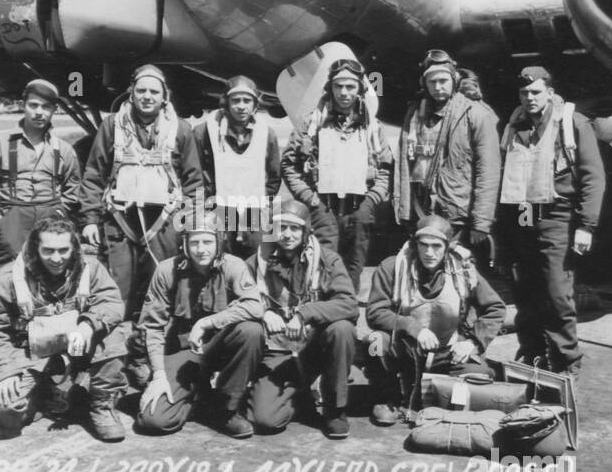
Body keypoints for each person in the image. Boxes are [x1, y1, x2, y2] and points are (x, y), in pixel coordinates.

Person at [79, 65, 202, 384]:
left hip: (164, 223)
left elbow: (193, 181)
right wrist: (90, 218)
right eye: (141, 91)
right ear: (131, 93)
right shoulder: (112, 126)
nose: (147, 97)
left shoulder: (181, 129)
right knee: (115, 294)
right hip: (119, 222)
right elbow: (94, 174)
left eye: (154, 92)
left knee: (157, 294)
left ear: (165, 98)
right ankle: (110, 361)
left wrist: (192, 223)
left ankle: (144, 356)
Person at [0, 216, 130, 442]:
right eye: (48, 251)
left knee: (112, 335)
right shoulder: (8, 278)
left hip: (77, 346)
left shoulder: (90, 268)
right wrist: (4, 371)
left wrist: (88, 324)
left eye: (63, 250)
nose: (56, 258)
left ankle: (101, 403)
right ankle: (40, 394)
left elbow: (112, 304)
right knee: (0, 412)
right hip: (29, 353)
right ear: (36, 248)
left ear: (74, 247)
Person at [495, 66, 605, 376]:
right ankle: (531, 353)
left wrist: (586, 225)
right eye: (524, 93)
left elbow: (593, 177)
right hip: (520, 218)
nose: (529, 98)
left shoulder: (572, 123)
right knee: (525, 295)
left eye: (535, 92)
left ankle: (566, 362)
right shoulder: (513, 125)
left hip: (556, 217)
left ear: (550, 92)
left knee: (557, 295)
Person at [364, 215, 507, 426]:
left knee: (482, 375)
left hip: (446, 353)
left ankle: (433, 393)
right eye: (423, 245)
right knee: (374, 342)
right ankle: (388, 397)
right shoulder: (394, 267)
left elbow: (496, 308)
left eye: (436, 246)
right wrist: (413, 327)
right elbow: (375, 312)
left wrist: (473, 342)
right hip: (404, 350)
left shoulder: (463, 270)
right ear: (415, 244)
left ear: (447, 246)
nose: (429, 253)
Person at [135, 211, 266, 438]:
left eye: (208, 241)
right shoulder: (167, 270)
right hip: (185, 350)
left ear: (218, 242)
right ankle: (199, 398)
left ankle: (226, 409)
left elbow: (255, 307)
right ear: (184, 244)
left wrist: (206, 322)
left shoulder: (233, 266)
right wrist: (158, 375)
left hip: (221, 346)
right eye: (194, 242)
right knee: (154, 419)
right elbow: (152, 327)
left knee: (251, 331)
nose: (201, 249)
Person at [245, 200, 359, 439]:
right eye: (281, 227)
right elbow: (236, 299)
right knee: (265, 420)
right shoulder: (258, 261)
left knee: (342, 328)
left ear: (306, 231)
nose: (287, 235)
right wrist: (263, 312)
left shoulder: (327, 260)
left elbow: (348, 303)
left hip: (313, 348)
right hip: (276, 352)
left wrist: (304, 313)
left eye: (294, 228)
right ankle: (300, 395)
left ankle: (335, 409)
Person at [280, 57, 393, 293]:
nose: (344, 92)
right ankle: (322, 313)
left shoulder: (372, 127)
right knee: (323, 262)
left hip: (359, 207)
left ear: (360, 89)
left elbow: (385, 168)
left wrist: (371, 201)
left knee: (354, 266)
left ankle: (347, 313)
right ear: (330, 88)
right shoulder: (311, 124)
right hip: (324, 207)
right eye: (338, 86)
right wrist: (309, 199)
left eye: (350, 86)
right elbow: (289, 164)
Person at [393, 50, 500, 266]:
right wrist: (403, 209)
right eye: (432, 82)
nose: (438, 87)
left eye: (443, 80)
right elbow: (404, 164)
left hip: (457, 211)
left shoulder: (476, 113)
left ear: (454, 80)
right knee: (424, 269)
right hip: (421, 208)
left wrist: (481, 221)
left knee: (458, 271)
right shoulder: (415, 114)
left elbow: (488, 171)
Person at [0, 79, 82, 275]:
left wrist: (60, 215)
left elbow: (74, 189)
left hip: (50, 221)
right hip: (11, 220)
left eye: (46, 107)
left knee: (50, 279)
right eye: (33, 105)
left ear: (54, 109)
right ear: (23, 106)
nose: (39, 112)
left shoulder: (64, 150)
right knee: (3, 280)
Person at [192, 75, 282, 258]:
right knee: (216, 260)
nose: (241, 106)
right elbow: (195, 172)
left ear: (255, 104)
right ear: (226, 103)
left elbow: (273, 176)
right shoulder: (205, 132)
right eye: (236, 100)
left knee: (253, 262)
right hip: (216, 210)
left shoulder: (266, 133)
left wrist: (261, 203)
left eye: (247, 100)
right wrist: (205, 206)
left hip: (253, 211)